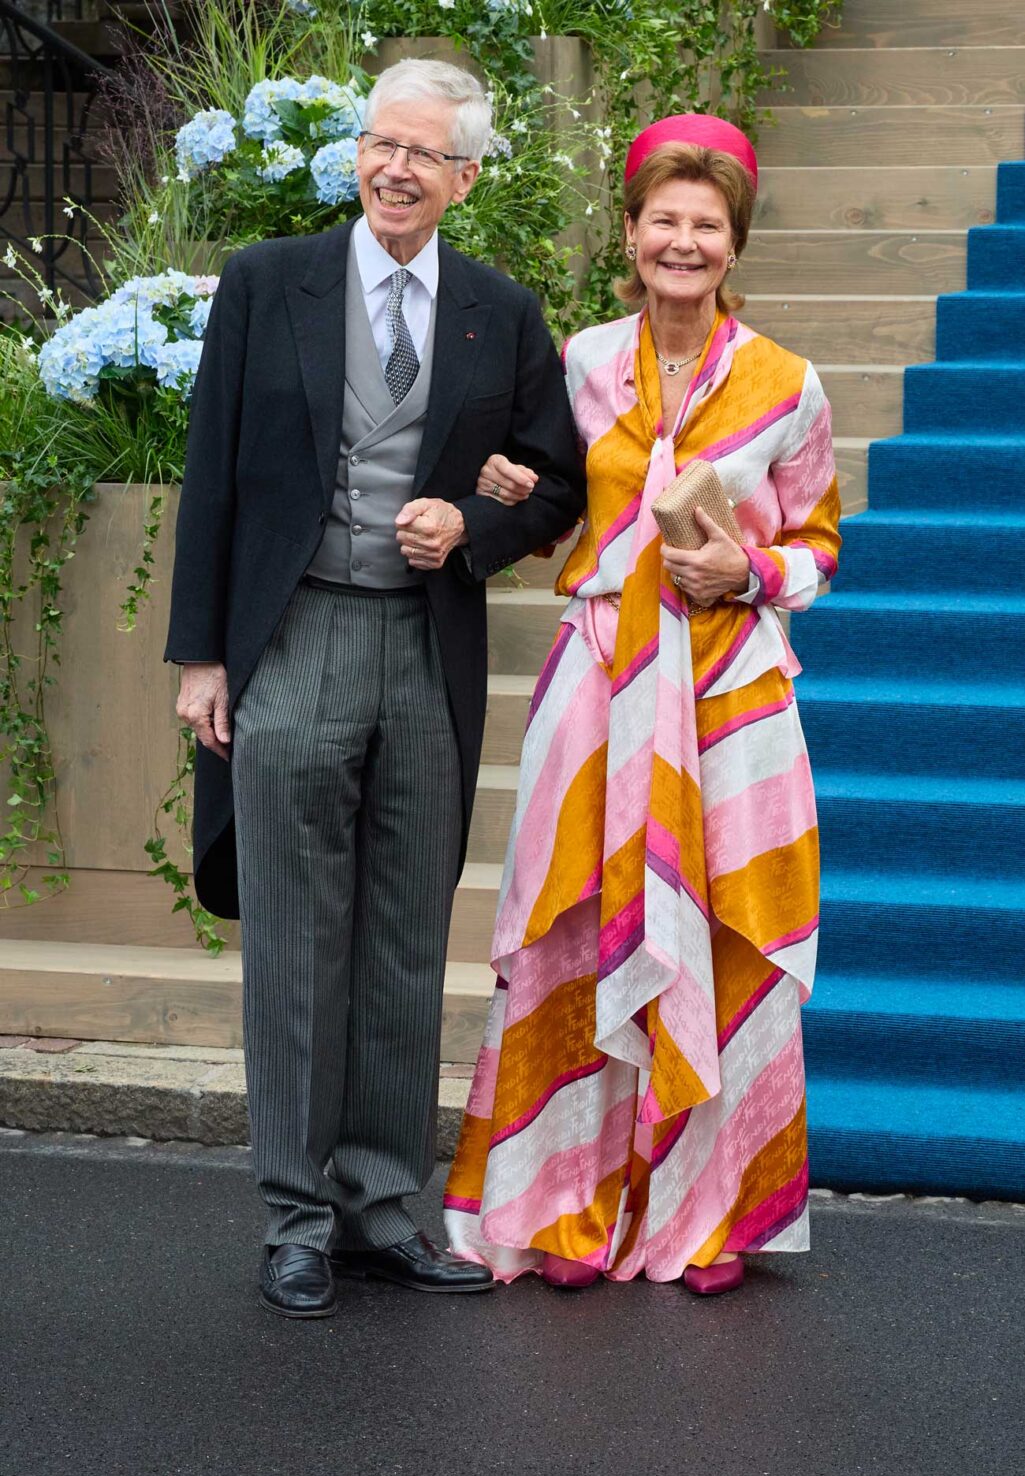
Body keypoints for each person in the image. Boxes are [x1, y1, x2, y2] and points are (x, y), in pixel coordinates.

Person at [164, 58, 585, 1319]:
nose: (393, 170)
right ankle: (295, 1219)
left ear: (466, 177)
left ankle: (383, 1208)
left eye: (421, 155)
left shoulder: (500, 311)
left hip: (423, 649)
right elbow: (210, 471)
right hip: (292, 633)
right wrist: (201, 657)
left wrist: (470, 524)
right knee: (296, 942)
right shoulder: (265, 282)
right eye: (378, 145)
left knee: (404, 936)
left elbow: (555, 484)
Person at [443, 114, 842, 1295]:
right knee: (575, 923)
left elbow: (818, 544)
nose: (682, 241)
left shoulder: (788, 384)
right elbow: (557, 510)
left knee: (722, 932)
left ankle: (708, 1218)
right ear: (629, 233)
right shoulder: (577, 364)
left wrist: (748, 571)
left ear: (733, 244)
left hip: (730, 693)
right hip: (600, 680)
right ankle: (563, 1206)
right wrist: (517, 495)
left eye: (704, 224)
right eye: (662, 219)